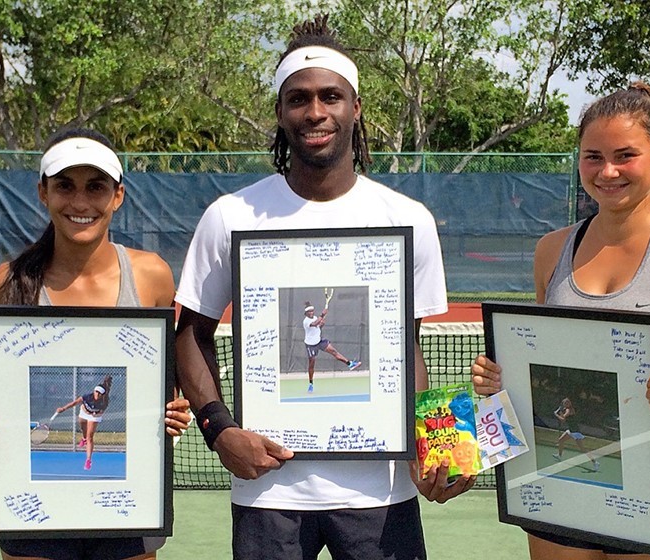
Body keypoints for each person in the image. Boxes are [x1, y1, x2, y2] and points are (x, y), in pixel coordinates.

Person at [174, 14, 473, 560]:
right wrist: (219, 430)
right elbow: (190, 334)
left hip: (381, 495)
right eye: (299, 98)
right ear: (282, 112)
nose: (316, 112)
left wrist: (437, 443)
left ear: (354, 107)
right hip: (268, 493)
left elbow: (408, 346)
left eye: (331, 97)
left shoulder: (408, 219)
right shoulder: (228, 216)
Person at [471, 83, 650, 559]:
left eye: (626, 155)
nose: (608, 172)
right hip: (559, 484)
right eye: (592, 156)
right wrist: (501, 376)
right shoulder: (550, 251)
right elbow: (544, 356)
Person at [0, 128, 192, 560]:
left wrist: (175, 406)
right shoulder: (6, 284)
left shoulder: (152, 276)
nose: (80, 202)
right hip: (31, 507)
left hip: (128, 502)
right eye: (65, 185)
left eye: (95, 187)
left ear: (117, 196)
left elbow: (164, 371)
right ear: (42, 192)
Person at [57, 375, 114, 470]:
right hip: (84, 412)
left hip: (94, 416)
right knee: (82, 426)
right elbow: (74, 403)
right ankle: (83, 438)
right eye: (96, 392)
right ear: (94, 391)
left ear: (102, 395)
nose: (97, 394)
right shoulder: (87, 396)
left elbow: (100, 412)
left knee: (90, 437)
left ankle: (88, 460)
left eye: (100, 393)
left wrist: (94, 414)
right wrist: (63, 408)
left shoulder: (104, 402)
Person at [301, 300, 360, 393]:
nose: (312, 312)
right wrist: (322, 315)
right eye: (310, 311)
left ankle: (350, 364)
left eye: (312, 311)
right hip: (311, 344)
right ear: (306, 313)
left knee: (333, 351)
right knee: (311, 364)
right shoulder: (306, 321)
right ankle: (311, 384)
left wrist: (322, 324)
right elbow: (315, 324)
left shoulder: (315, 317)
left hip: (319, 340)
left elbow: (318, 326)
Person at [552, 397, 599, 471]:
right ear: (563, 404)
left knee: (583, 449)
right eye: (565, 403)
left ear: (570, 403)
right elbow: (564, 419)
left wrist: (556, 414)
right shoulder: (565, 409)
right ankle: (559, 455)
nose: (567, 403)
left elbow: (563, 418)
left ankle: (595, 462)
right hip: (570, 431)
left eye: (568, 402)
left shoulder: (569, 410)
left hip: (576, 432)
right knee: (561, 440)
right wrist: (560, 413)